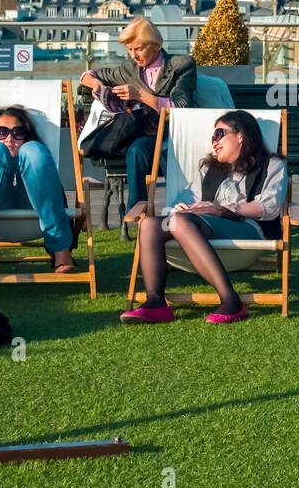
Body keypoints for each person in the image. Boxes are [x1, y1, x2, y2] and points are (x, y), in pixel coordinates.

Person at [121, 110, 287, 325]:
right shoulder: (209, 168)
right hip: (199, 239)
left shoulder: (272, 165)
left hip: (248, 235)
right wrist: (180, 208)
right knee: (150, 224)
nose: (214, 142)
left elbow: (270, 207)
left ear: (240, 135)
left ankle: (231, 301)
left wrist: (222, 209)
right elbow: (183, 200)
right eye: (212, 138)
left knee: (179, 221)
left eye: (219, 134)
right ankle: (156, 302)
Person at [78, 17, 197, 212]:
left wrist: (140, 95)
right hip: (141, 134)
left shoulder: (181, 65)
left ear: (155, 46)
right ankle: (138, 210)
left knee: (141, 150)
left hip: (172, 132)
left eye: (139, 48)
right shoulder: (130, 68)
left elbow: (180, 107)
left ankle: (174, 208)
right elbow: (87, 75)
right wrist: (98, 85)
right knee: (137, 150)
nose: (133, 55)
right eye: (130, 49)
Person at [0, 105, 75, 276]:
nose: (9, 139)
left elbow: (55, 197)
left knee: (34, 150)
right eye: (0, 132)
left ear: (25, 135)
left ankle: (60, 247)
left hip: (34, 214)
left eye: (17, 132)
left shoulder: (36, 161)